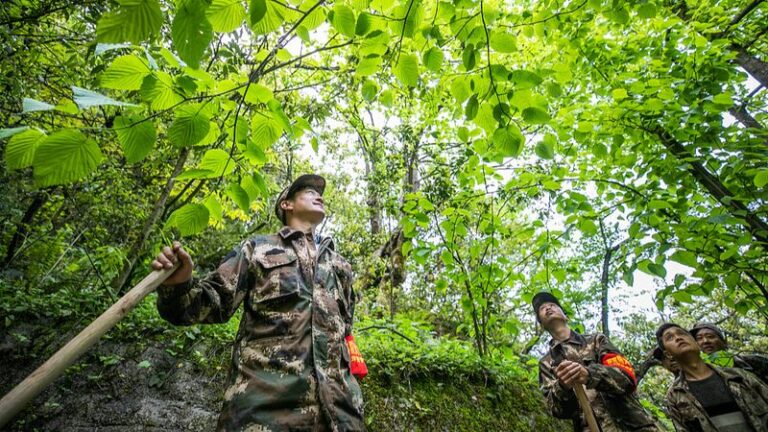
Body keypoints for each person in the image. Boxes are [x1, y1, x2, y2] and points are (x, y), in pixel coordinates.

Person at [151, 174, 365, 432]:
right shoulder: (257, 249)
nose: (319, 196)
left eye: (319, 193)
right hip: (263, 416)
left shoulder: (340, 266)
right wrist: (177, 285)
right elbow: (205, 303)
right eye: (308, 192)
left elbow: (345, 333)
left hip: (341, 418)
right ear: (286, 205)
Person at [533, 292, 659, 431]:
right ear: (542, 326)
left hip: (632, 426)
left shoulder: (597, 340)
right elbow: (558, 411)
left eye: (552, 305)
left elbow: (626, 377)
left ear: (565, 316)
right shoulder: (546, 363)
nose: (548, 308)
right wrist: (563, 386)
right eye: (542, 309)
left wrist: (589, 375)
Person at [657, 323, 768, 431]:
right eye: (670, 337)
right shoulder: (675, 397)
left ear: (695, 342)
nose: (678, 338)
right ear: (668, 355)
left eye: (682, 333)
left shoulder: (739, 376)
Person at [690, 322, 768, 384]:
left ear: (724, 342)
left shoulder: (752, 361)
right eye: (699, 338)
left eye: (710, 336)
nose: (705, 341)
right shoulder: (695, 371)